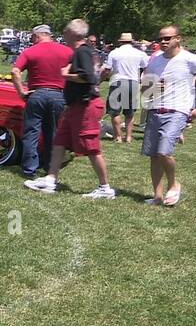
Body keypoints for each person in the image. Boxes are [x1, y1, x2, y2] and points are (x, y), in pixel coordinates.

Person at [24, 19, 115, 199]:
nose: (62, 34)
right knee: (60, 141)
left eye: (65, 31)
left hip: (86, 105)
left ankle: (105, 187)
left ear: (73, 33)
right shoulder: (81, 52)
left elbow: (88, 77)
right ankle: (51, 178)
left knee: (90, 146)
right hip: (74, 104)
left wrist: (66, 74)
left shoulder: (82, 52)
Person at [139, 24, 196, 206]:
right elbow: (144, 88)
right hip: (155, 110)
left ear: (178, 38)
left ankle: (174, 184)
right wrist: (153, 87)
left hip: (177, 111)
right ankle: (157, 196)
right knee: (154, 155)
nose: (163, 42)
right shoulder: (155, 60)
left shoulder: (190, 59)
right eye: (160, 38)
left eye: (167, 38)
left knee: (164, 152)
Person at [11, 25, 72, 177]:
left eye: (32, 37)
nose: (31, 40)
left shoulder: (30, 51)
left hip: (36, 94)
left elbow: (15, 71)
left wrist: (21, 92)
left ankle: (29, 169)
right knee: (53, 133)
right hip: (58, 95)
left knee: (31, 132)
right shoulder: (67, 51)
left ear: (37, 36)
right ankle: (50, 167)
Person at [101, 32, 148, 144]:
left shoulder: (114, 53)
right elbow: (146, 67)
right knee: (129, 112)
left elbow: (107, 69)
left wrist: (100, 80)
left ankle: (118, 137)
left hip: (117, 81)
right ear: (131, 41)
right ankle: (128, 137)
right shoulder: (139, 53)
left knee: (115, 112)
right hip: (132, 82)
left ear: (120, 42)